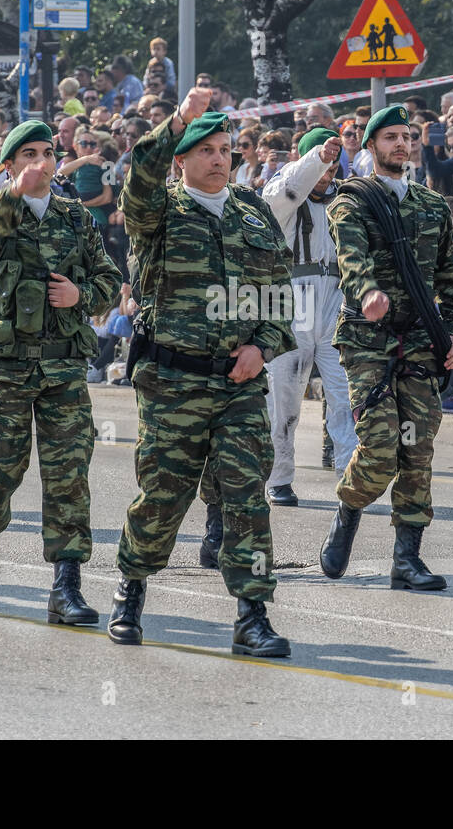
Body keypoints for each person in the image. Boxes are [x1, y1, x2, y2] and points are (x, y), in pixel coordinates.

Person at [110, 87, 296, 656]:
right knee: (163, 497)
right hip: (172, 385)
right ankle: (131, 588)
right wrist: (175, 121)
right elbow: (137, 178)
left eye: (226, 149)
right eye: (207, 149)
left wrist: (262, 348)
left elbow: (280, 298)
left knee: (246, 497)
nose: (220, 158)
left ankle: (252, 615)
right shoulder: (160, 210)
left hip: (239, 385)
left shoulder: (252, 211)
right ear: (183, 159)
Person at [0, 121, 121, 618]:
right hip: (4, 370)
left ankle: (66, 586)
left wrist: (81, 296)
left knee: (69, 477)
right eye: (28, 154)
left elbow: (110, 278)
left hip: (62, 370)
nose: (41, 163)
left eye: (47, 153)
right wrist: (16, 192)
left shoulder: (74, 218)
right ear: (8, 165)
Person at [320, 104, 453, 591]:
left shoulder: (431, 207)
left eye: (407, 137)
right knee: (382, 447)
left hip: (422, 344)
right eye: (390, 138)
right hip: (368, 341)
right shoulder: (352, 200)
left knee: (417, 449)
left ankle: (407, 559)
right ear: (370, 146)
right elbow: (352, 257)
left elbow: (452, 281)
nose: (401, 145)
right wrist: (368, 293)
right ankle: (349, 509)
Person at [259, 126, 357, 507]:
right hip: (292, 305)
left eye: (334, 169)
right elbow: (284, 192)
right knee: (284, 402)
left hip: (336, 302)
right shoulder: (281, 195)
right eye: (322, 166)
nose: (327, 176)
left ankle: (351, 479)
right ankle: (279, 478)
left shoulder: (347, 201)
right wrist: (318, 157)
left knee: (345, 397)